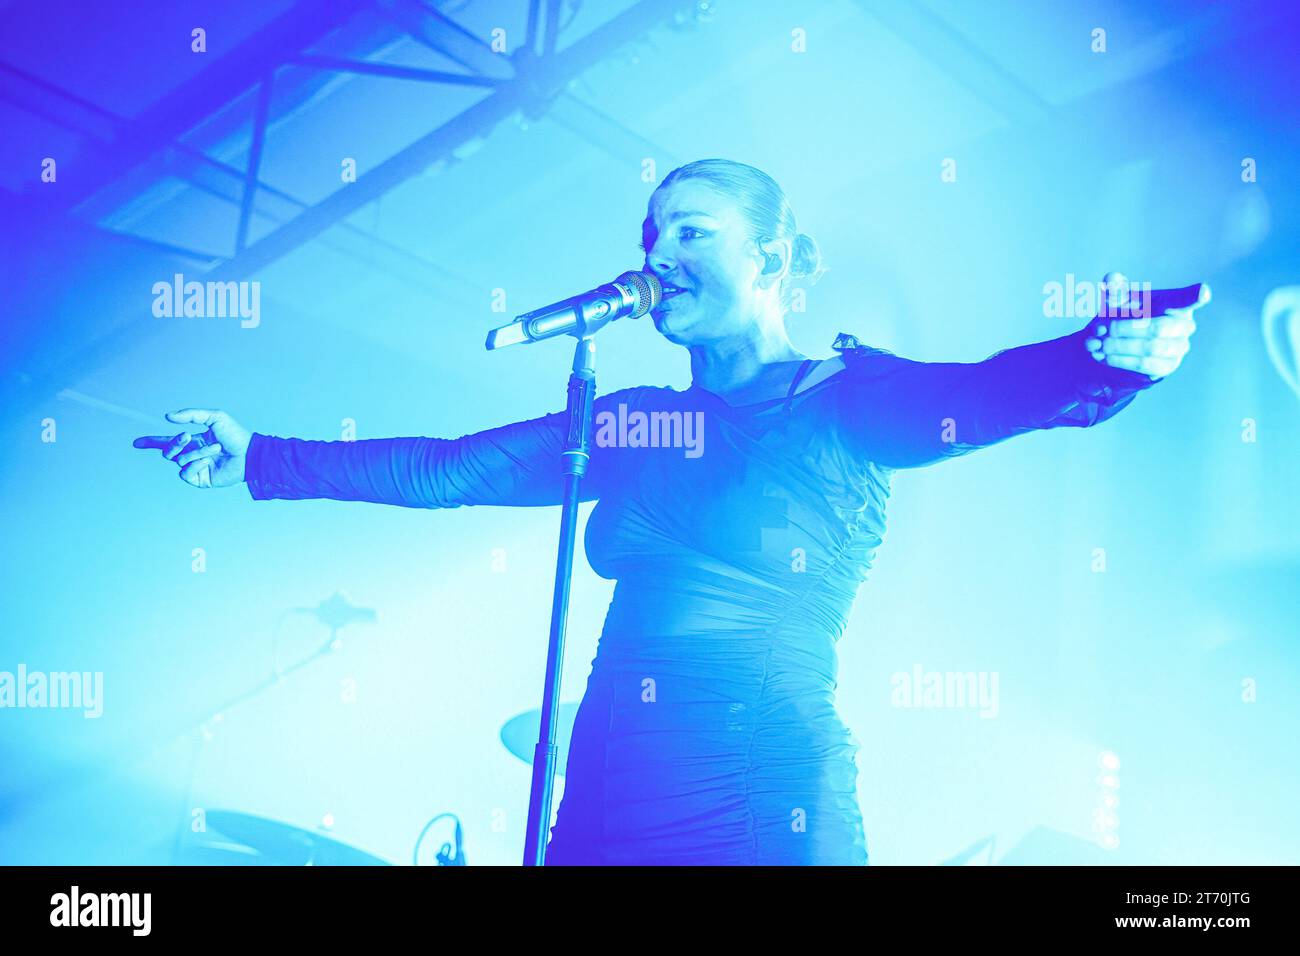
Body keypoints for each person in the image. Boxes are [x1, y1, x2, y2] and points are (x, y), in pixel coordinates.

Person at [135, 159, 1208, 865]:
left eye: (694, 232)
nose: (659, 252)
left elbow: (975, 396)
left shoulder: (843, 403)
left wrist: (1102, 360)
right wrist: (256, 455)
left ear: (775, 259)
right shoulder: (644, 422)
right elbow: (451, 468)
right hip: (605, 784)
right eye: (654, 231)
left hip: (763, 790)